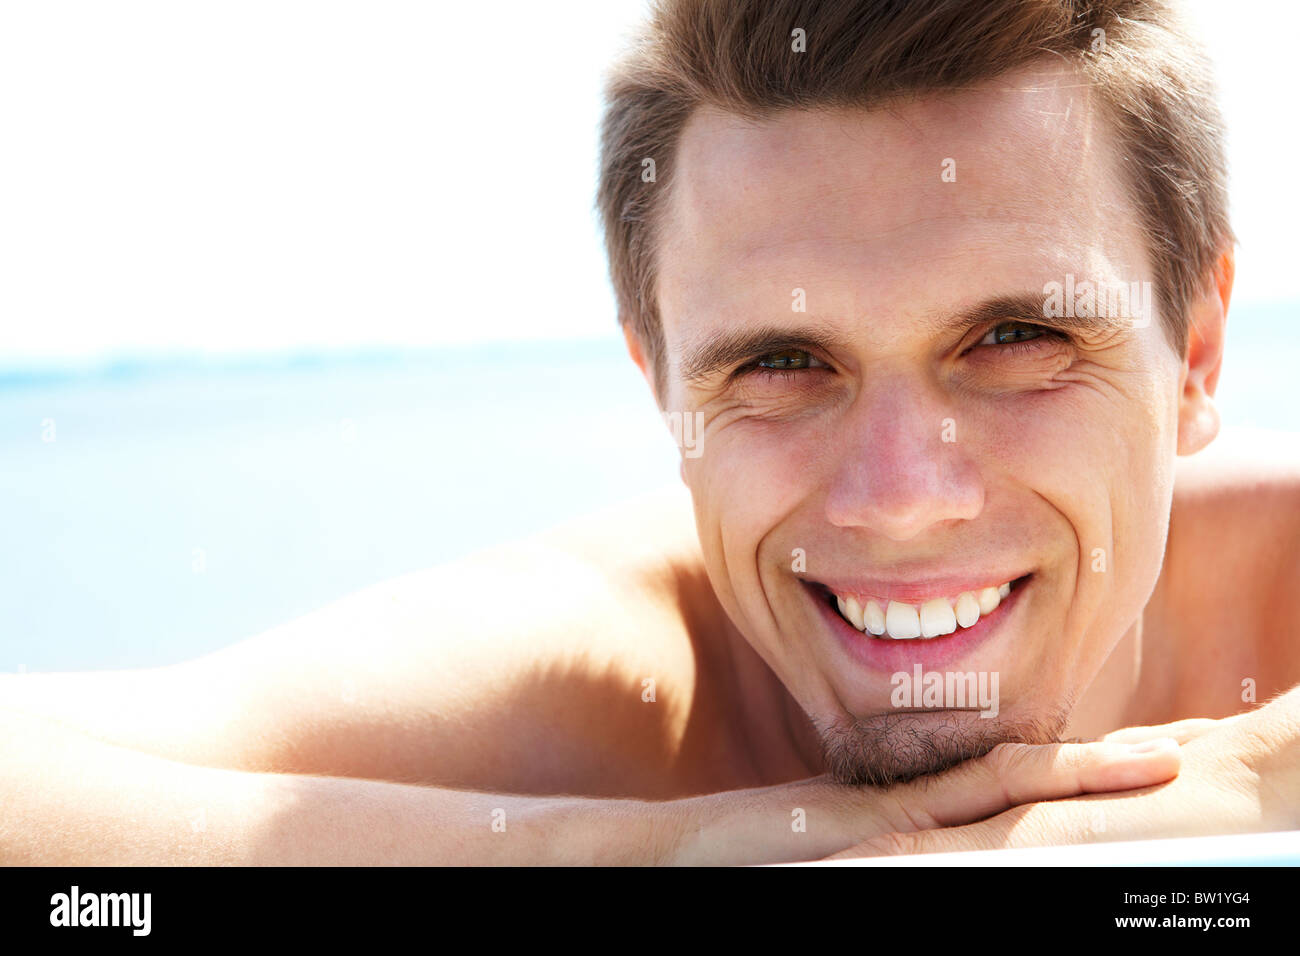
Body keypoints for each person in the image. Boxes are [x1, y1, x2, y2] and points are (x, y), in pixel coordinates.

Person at [3, 0, 1297, 865]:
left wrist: (1243, 781)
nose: (899, 497)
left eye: (1016, 341)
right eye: (784, 364)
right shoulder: (613, 686)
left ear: (1193, 352)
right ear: (661, 383)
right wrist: (635, 845)